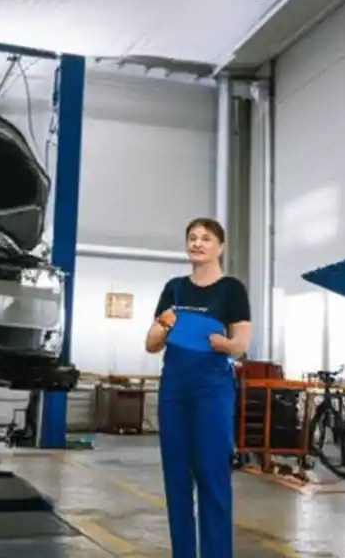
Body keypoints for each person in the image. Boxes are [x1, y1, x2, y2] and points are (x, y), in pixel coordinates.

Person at [145, 217, 252, 558]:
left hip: (212, 390)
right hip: (174, 390)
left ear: (219, 247)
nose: (197, 243)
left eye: (206, 238)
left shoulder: (231, 289)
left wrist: (224, 344)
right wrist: (164, 323)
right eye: (192, 238)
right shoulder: (174, 288)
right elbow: (151, 343)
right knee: (176, 480)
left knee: (212, 477)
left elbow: (242, 345)